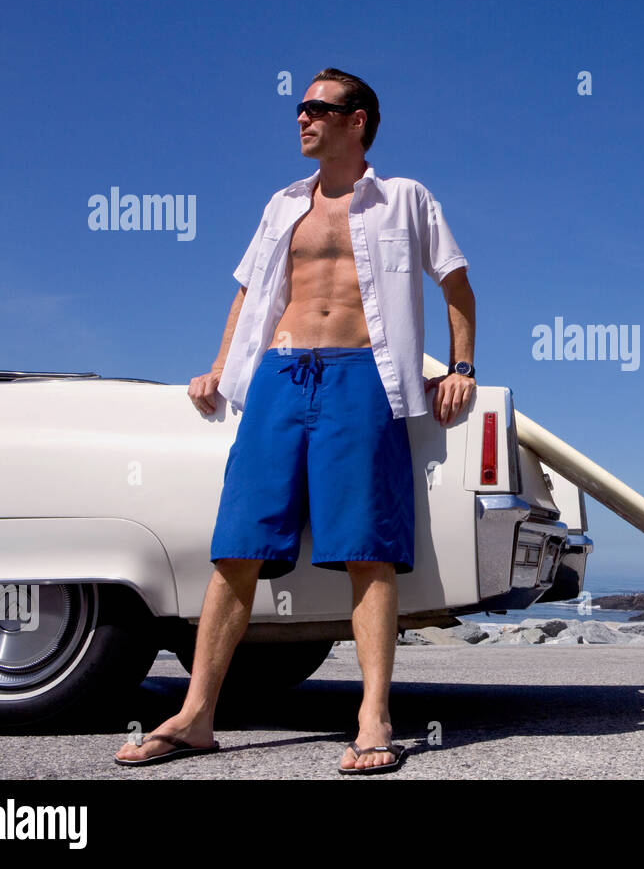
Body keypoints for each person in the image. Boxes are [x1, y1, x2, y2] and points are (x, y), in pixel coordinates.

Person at [114, 68, 476, 774]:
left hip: (362, 376)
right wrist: (219, 367)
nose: (302, 120)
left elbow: (457, 282)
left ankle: (373, 717)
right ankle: (195, 716)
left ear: (358, 120)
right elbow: (249, 294)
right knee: (237, 548)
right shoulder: (283, 204)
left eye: (317, 109)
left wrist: (460, 370)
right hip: (279, 377)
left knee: (369, 550)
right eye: (300, 109)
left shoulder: (404, 198)